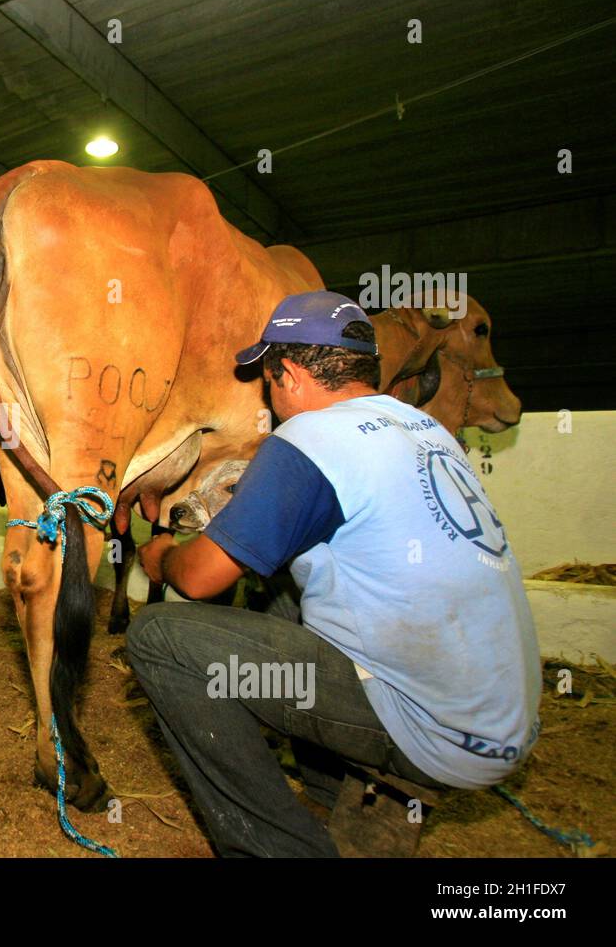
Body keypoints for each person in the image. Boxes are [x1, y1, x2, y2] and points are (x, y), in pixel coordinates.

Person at [128, 290, 541, 857]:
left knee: (160, 639)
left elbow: (200, 579)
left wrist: (164, 556)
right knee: (280, 584)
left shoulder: (309, 439)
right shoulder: (424, 430)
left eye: (268, 382)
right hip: (501, 720)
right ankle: (331, 795)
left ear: (292, 375)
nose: (269, 398)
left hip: (433, 730)